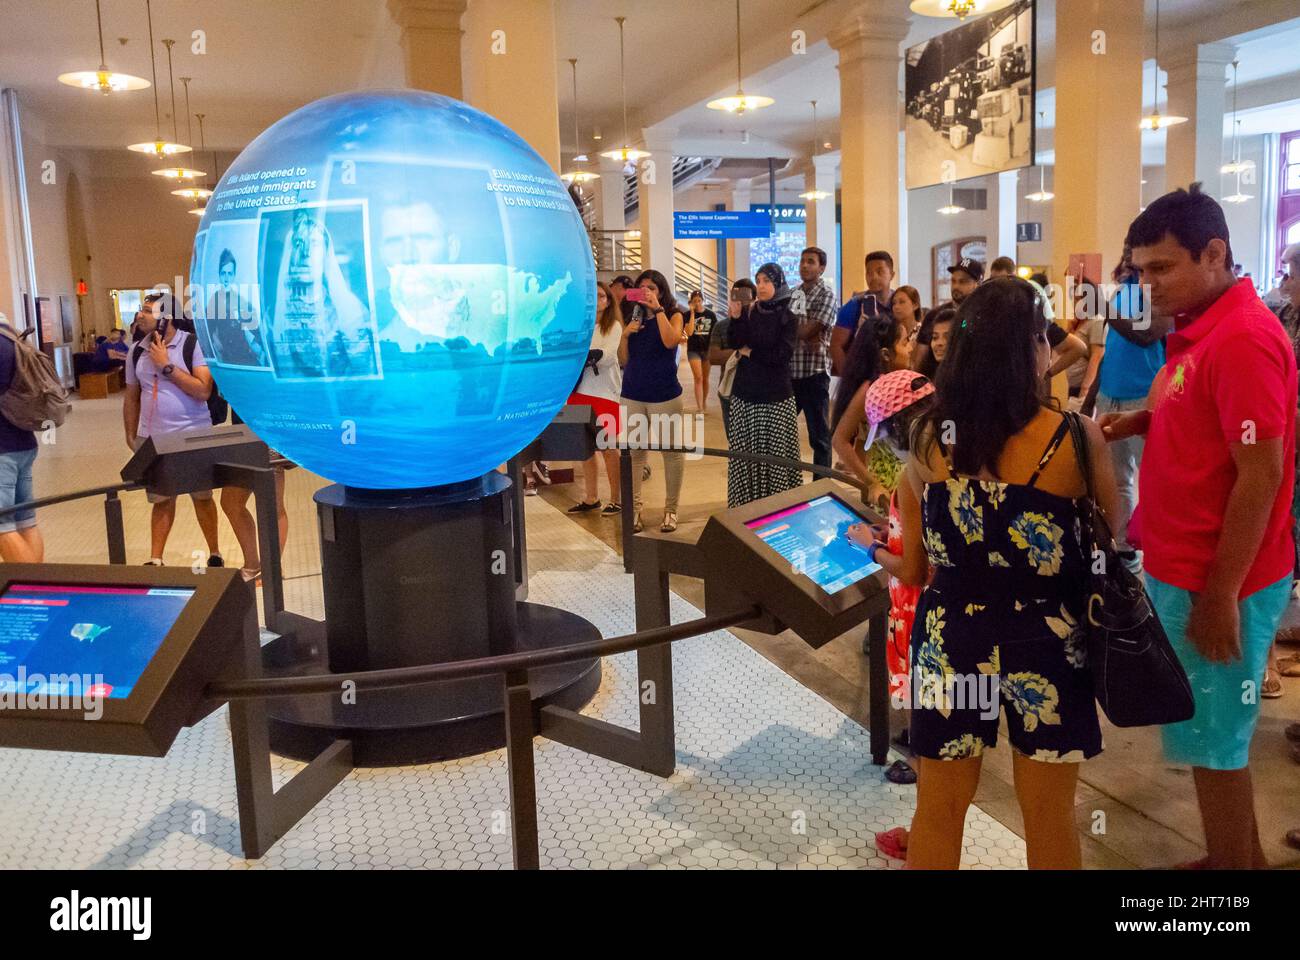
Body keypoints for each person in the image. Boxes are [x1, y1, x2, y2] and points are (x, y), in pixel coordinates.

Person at [1101, 184, 1296, 869]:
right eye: (1139, 270)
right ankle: (1234, 859)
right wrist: (1140, 422)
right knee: (1213, 737)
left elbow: (1261, 475)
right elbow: (1209, 419)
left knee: (1216, 744)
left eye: (1160, 268)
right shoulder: (1202, 325)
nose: (1145, 285)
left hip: (1221, 579)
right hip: (1187, 567)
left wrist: (1220, 597)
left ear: (1214, 254)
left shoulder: (1242, 338)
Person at [903, 277, 1119, 869]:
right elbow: (1112, 536)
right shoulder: (1077, 439)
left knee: (939, 807)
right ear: (1032, 349)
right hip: (1048, 639)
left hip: (952, 635)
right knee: (1049, 814)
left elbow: (916, 566)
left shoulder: (928, 436)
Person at [843, 370, 937, 843]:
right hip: (944, 602)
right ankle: (923, 750)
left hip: (920, 603)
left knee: (923, 684)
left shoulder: (912, 473)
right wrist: (891, 534)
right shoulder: (948, 459)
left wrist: (869, 546)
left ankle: (922, 760)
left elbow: (914, 569)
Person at [123, 292, 223, 567]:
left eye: (147, 311)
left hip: (193, 434)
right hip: (153, 438)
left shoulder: (193, 345)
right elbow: (131, 396)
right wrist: (131, 435)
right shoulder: (136, 351)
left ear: (165, 318)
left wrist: (166, 365)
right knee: (161, 498)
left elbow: (203, 390)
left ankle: (214, 553)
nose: (140, 315)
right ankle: (156, 558)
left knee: (202, 496)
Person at [1095, 246, 1168, 575]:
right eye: (1125, 252)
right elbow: (1113, 349)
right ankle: (1124, 548)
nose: (1128, 260)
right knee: (1116, 479)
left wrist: (1105, 310)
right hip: (1110, 396)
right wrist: (1091, 398)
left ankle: (1158, 550)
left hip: (1143, 397)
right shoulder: (1122, 292)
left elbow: (1147, 335)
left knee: (1154, 478)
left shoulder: (1156, 293)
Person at [725, 262, 803, 507]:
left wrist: (751, 353)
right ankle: (746, 506)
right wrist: (736, 318)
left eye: (767, 281)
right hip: (746, 394)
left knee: (776, 454)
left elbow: (782, 356)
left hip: (775, 396)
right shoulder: (751, 312)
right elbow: (735, 342)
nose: (761, 286)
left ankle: (777, 506)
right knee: (746, 454)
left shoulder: (788, 315)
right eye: (758, 281)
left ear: (778, 283)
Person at [618, 269, 685, 533]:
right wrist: (625, 334)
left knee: (671, 454)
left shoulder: (673, 314)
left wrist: (658, 311)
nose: (646, 293)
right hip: (633, 393)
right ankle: (634, 510)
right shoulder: (632, 317)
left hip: (664, 394)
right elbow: (623, 360)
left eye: (652, 289)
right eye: (642, 288)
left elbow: (671, 342)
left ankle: (671, 510)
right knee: (635, 455)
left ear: (662, 292)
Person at [831, 313, 913, 507]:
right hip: (888, 488)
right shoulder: (870, 389)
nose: (910, 348)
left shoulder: (903, 382)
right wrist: (871, 483)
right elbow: (839, 440)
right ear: (886, 354)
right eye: (904, 343)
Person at [567, 281, 624, 516]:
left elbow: (607, 356)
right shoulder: (580, 325)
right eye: (594, 296)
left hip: (604, 395)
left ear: (608, 301)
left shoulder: (614, 326)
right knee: (585, 450)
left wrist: (587, 357)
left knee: (609, 449)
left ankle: (617, 499)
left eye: (602, 296)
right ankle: (591, 497)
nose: (598, 300)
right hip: (578, 394)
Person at [0, 312, 43, 563]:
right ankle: (39, 584)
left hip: (2, 448)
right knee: (26, 520)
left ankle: (31, 591)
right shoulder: (13, 338)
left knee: (2, 526)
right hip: (23, 442)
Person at [791, 247, 838, 470]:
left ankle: (822, 486)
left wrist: (806, 330)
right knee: (784, 431)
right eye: (802, 261)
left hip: (815, 374)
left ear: (821, 268)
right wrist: (805, 330)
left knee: (819, 435)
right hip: (790, 374)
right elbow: (789, 330)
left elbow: (807, 331)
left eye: (810, 261)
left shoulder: (827, 295)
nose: (805, 265)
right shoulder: (793, 293)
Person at [831, 250, 894, 375]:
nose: (874, 277)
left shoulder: (899, 302)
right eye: (869, 273)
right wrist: (848, 377)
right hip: (862, 374)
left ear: (892, 275)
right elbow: (835, 346)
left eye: (880, 271)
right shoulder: (854, 305)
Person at [206, 248, 265, 366]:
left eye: (230, 273)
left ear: (234, 275)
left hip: (247, 359)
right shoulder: (213, 303)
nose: (226, 278)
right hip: (227, 361)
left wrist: (262, 353)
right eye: (223, 273)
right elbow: (209, 335)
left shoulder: (242, 302)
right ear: (219, 275)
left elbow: (256, 333)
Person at [713, 279, 754, 437]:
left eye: (745, 297)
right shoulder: (722, 326)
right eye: (736, 296)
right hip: (729, 389)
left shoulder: (761, 323)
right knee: (735, 440)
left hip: (755, 391)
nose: (740, 301)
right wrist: (741, 350)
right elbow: (714, 356)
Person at [683, 291, 716, 414]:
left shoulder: (711, 315)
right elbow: (690, 332)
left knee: (705, 379)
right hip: (693, 350)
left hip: (707, 350)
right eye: (694, 301)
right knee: (698, 377)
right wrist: (692, 313)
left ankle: (704, 402)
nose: (697, 303)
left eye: (699, 300)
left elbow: (714, 333)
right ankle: (700, 408)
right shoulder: (687, 314)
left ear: (703, 300)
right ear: (691, 302)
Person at [913, 304, 955, 381]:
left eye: (947, 337)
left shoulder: (968, 377)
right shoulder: (925, 378)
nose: (939, 343)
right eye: (935, 337)